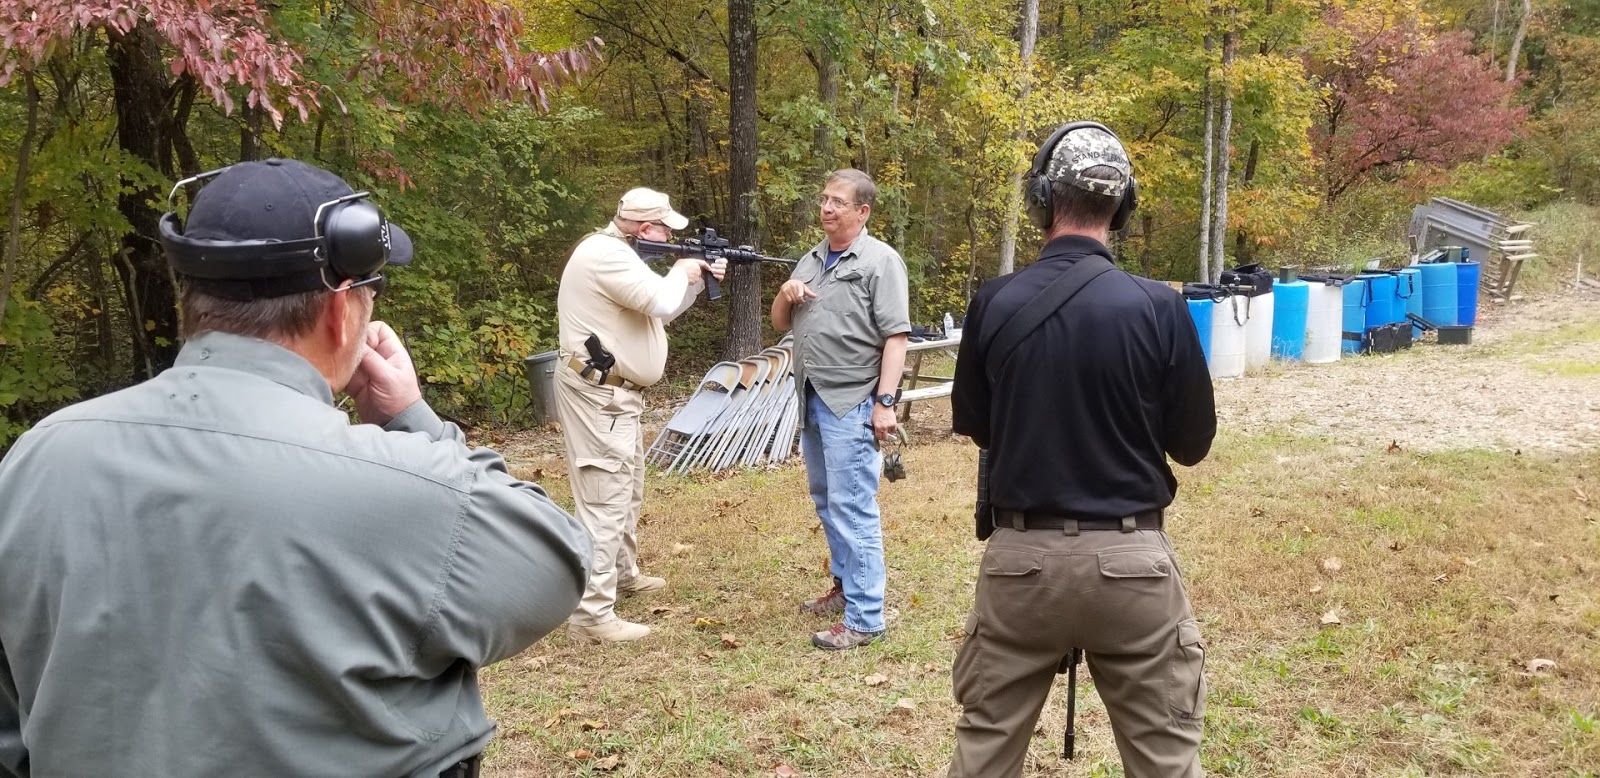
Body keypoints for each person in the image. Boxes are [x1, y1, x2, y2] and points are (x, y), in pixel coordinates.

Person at [0, 158, 592, 777]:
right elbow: (557, 557)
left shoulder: (37, 457)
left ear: (192, 301)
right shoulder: (402, 485)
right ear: (342, 313)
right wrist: (412, 416)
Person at [946, 123, 1217, 776]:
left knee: (982, 755)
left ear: (1042, 200)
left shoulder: (994, 302)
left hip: (1020, 568)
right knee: (1167, 763)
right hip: (1134, 569)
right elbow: (1192, 444)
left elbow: (977, 423)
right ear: (1121, 208)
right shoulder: (1159, 307)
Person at [557, 187, 725, 644]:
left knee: (626, 488)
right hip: (599, 396)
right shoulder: (605, 255)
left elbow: (665, 311)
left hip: (617, 397)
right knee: (605, 499)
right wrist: (681, 269)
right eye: (665, 227)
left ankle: (622, 573)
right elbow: (662, 302)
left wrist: (693, 279)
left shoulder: (624, 256)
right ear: (645, 228)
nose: (671, 234)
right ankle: (592, 614)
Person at [771, 169, 911, 651]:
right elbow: (779, 321)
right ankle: (846, 587)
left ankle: (866, 618)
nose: (827, 208)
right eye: (824, 199)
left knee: (853, 508)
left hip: (852, 400)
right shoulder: (810, 260)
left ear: (862, 211)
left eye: (838, 202)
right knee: (827, 500)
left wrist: (885, 402)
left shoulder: (880, 261)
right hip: (811, 396)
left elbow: (896, 337)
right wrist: (785, 293)